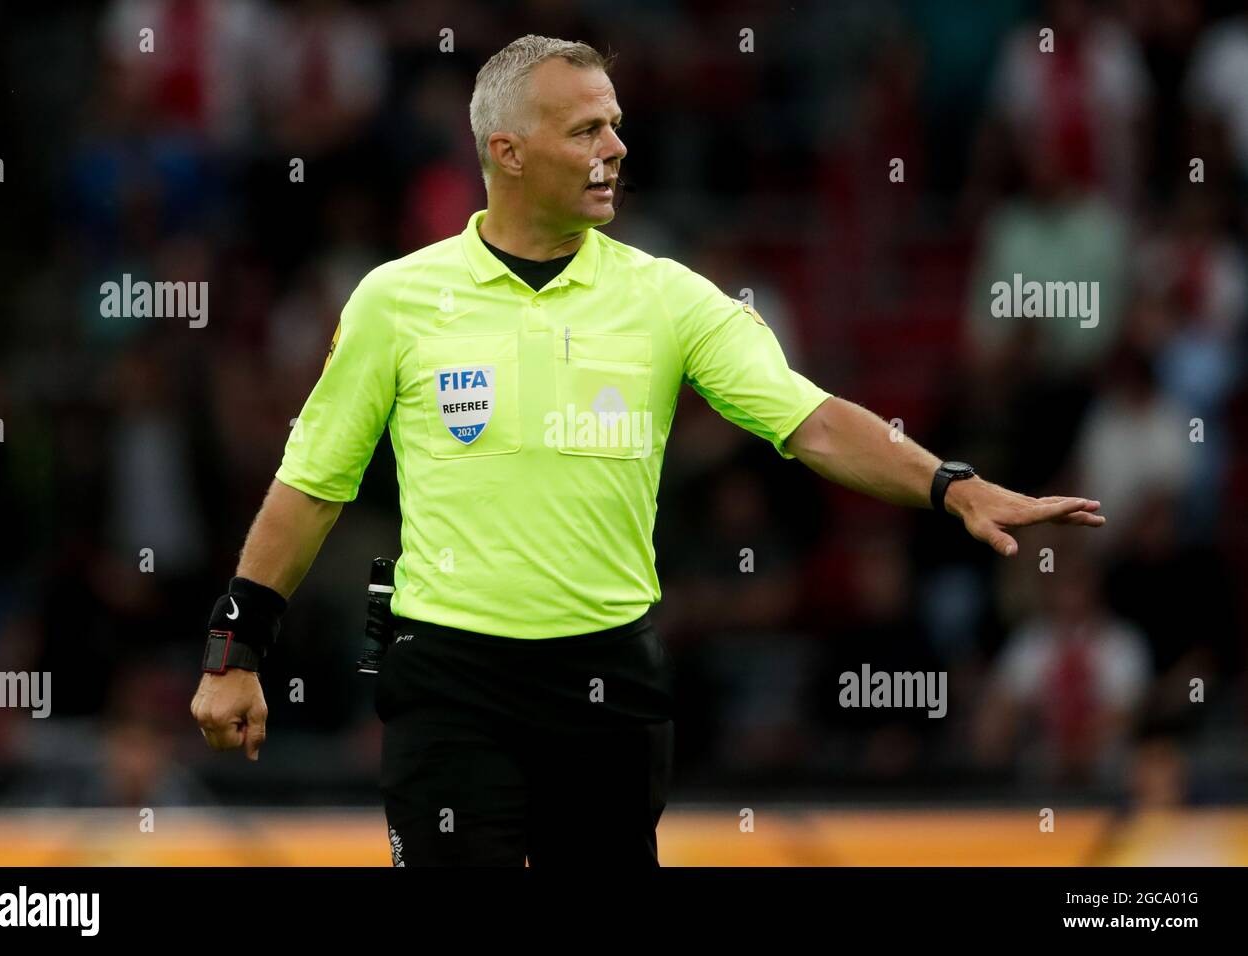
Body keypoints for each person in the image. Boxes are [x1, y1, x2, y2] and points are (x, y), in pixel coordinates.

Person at [190, 35, 1106, 867]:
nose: (616, 148)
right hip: (451, 683)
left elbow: (811, 419)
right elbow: (312, 486)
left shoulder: (668, 298)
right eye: (587, 128)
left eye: (617, 126)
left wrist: (949, 484)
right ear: (507, 152)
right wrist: (236, 650)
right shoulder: (397, 301)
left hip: (607, 682)